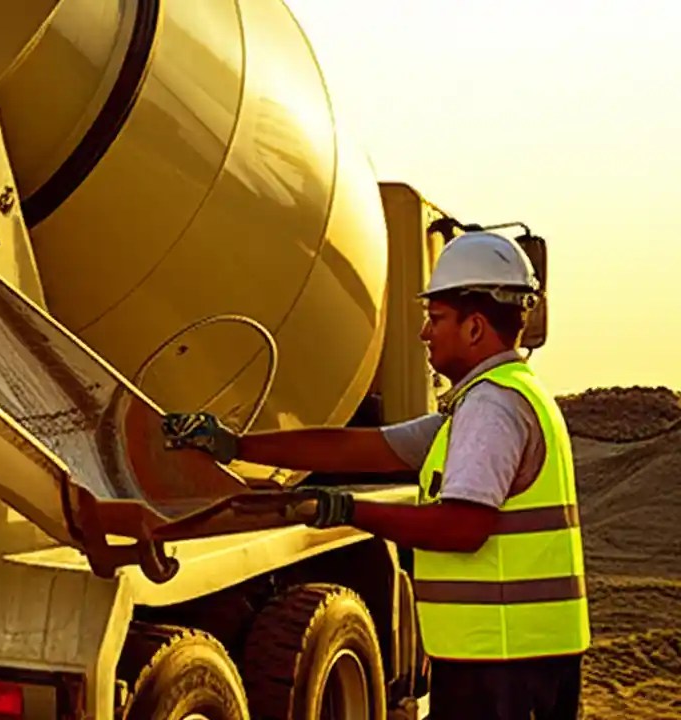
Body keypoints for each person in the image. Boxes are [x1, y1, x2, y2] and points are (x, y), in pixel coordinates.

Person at [162, 231, 590, 720]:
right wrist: (236, 445)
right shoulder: (500, 398)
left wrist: (345, 509)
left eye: (436, 319)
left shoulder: (491, 407)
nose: (425, 333)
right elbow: (361, 446)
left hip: (503, 665)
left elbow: (462, 528)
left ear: (475, 328)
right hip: (515, 657)